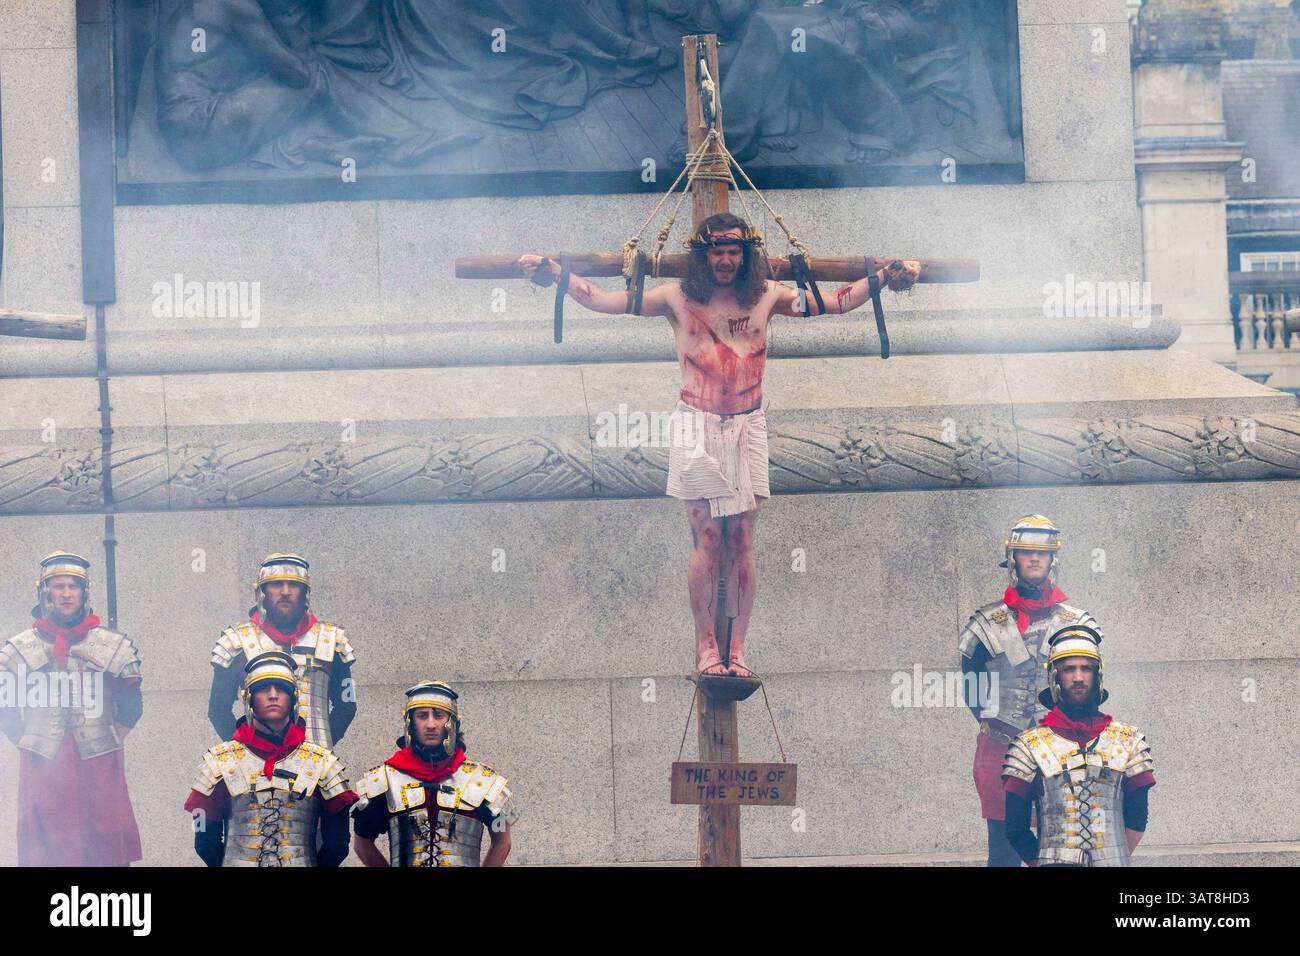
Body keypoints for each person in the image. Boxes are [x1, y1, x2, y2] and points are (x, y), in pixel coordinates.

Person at [520, 213, 919, 676]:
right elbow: (606, 300)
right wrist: (559, 275)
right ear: (703, 256)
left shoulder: (768, 295)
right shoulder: (676, 297)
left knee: (742, 539)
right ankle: (707, 646)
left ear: (745, 255)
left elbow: (832, 302)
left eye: (733, 252)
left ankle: (738, 650)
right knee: (708, 538)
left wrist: (883, 277)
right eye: (717, 252)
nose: (726, 260)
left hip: (749, 423)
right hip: (697, 423)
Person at [958, 515, 1102, 867]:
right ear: (1013, 559)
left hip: (1064, 743)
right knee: (1004, 849)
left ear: (1053, 559)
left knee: (1065, 846)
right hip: (1001, 744)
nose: (1035, 558)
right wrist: (999, 726)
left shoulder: (1076, 621)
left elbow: (1090, 685)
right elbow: (972, 688)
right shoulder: (986, 622)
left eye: (1042, 553)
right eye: (1026, 552)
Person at [0, 552, 144, 866]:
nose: (66, 593)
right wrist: (31, 741)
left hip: (99, 763)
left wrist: (108, 740)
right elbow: (5, 708)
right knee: (46, 851)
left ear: (84, 592)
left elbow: (132, 704)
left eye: (73, 586)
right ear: (45, 592)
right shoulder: (19, 648)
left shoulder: (111, 645)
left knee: (106, 847)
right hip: (43, 766)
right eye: (58, 586)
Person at [184, 650, 356, 866]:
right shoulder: (219, 763)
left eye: (282, 689)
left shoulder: (322, 764)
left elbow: (338, 844)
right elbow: (204, 843)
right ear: (249, 699)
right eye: (263, 688)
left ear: (293, 699)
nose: (273, 695)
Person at [1001, 625, 1155, 867]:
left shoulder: (1128, 740)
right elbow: (1015, 827)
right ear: (1055, 677)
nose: (1078, 677)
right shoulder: (1028, 746)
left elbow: (1137, 816)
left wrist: (1112, 858)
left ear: (1098, 675)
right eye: (1069, 669)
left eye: (1086, 668)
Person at [352, 680, 517, 867]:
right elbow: (362, 842)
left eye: (438, 715)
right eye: (422, 716)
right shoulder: (385, 781)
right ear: (410, 723)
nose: (430, 724)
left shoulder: (481, 780)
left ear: (451, 722)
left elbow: (502, 840)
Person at [208, 552, 356, 747]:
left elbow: (347, 707)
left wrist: (322, 748)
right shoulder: (236, 642)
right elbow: (218, 710)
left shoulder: (331, 641)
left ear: (305, 592)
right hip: (257, 761)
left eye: (294, 584)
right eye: (277, 584)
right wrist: (245, 751)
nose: (285, 592)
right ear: (262, 592)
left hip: (317, 758)